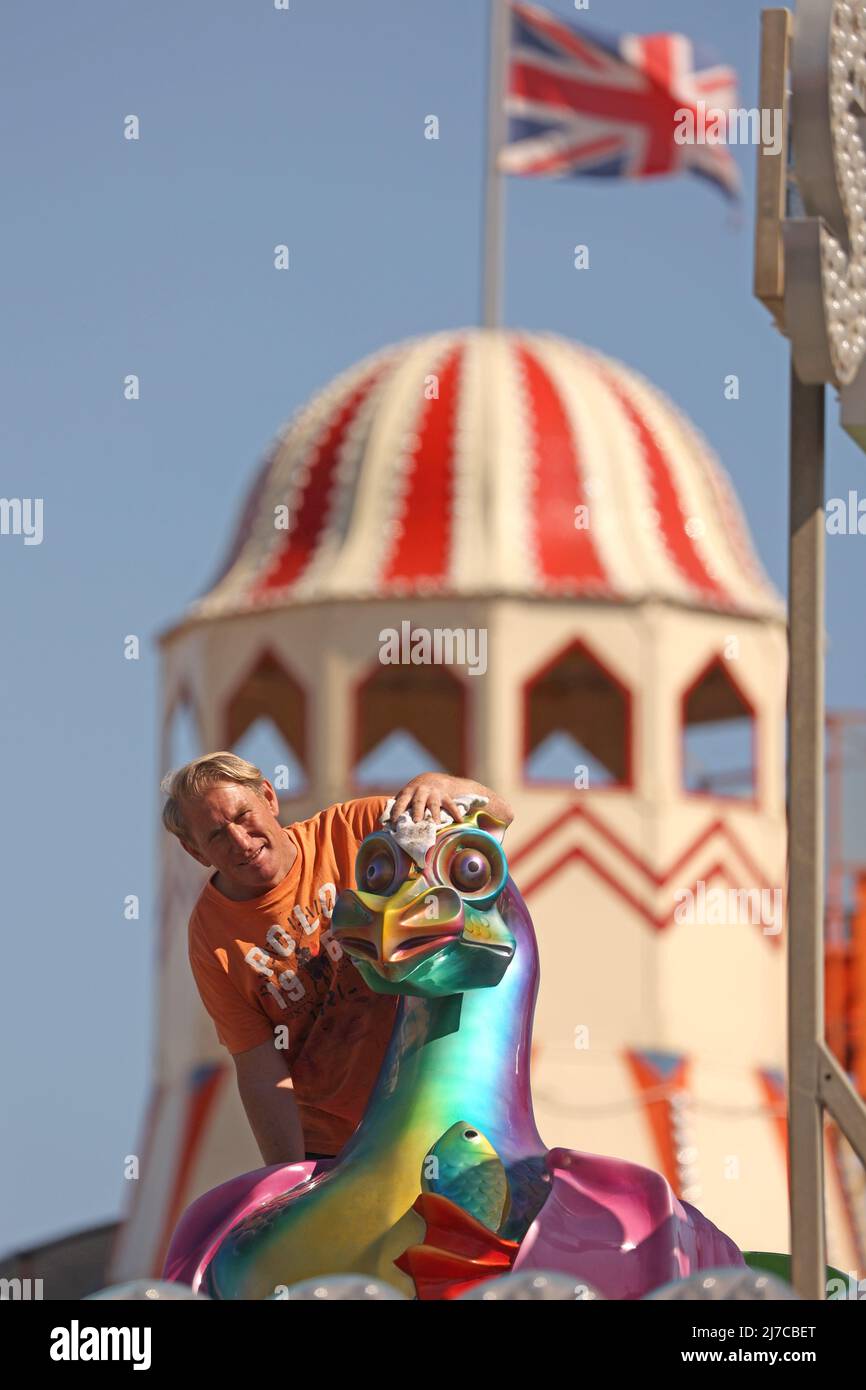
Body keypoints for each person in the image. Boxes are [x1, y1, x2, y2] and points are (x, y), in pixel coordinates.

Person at [160, 753, 514, 1166]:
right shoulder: (211, 935)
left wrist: (441, 783)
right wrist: (286, 1176)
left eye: (243, 815)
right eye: (217, 835)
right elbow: (258, 1063)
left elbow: (497, 817)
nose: (240, 840)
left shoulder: (358, 827)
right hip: (333, 1148)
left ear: (269, 798)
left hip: (436, 1107)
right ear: (194, 851)